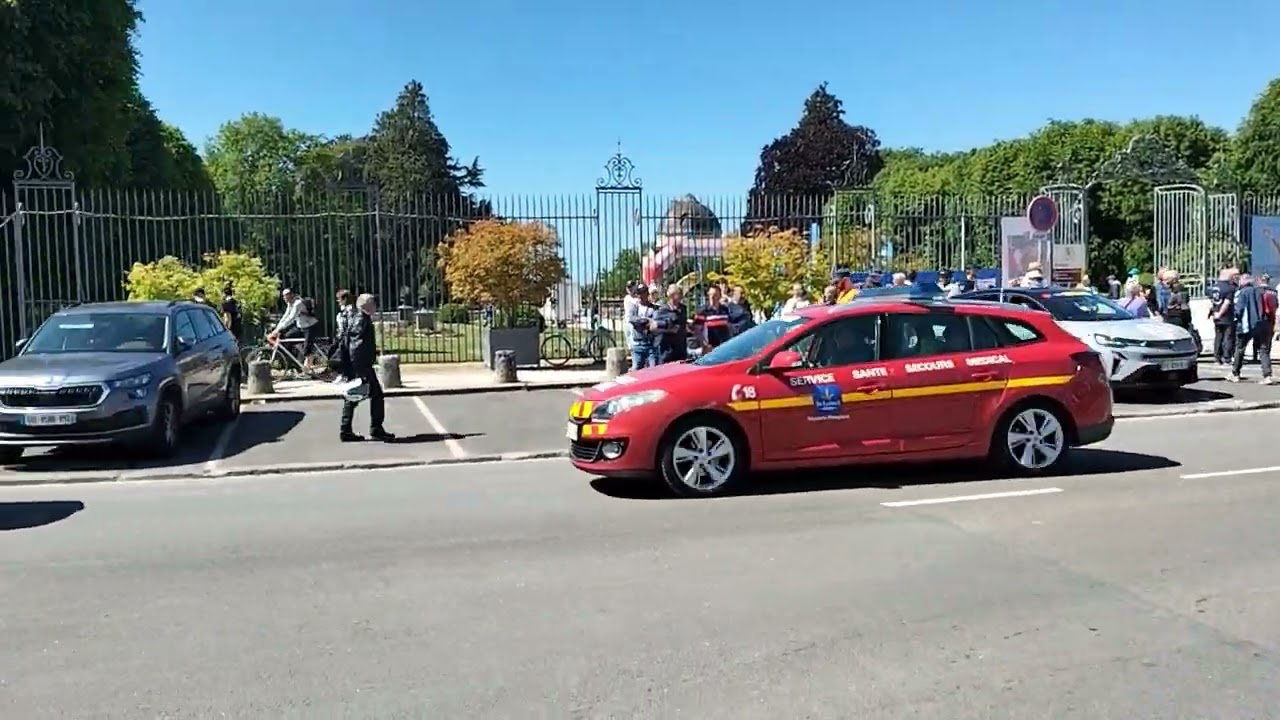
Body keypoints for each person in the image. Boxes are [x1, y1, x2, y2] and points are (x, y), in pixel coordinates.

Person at [340, 293, 395, 441]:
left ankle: (346, 430)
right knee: (375, 395)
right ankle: (375, 429)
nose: (376, 306)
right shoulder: (362, 320)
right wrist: (361, 369)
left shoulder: (356, 318)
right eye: (374, 303)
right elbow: (357, 346)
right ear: (367, 305)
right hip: (362, 366)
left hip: (357, 365)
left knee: (353, 396)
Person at [1231, 274, 1275, 385]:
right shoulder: (1259, 291)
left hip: (1246, 325)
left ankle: (1235, 374)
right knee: (1264, 350)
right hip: (1261, 323)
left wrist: (1235, 320)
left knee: (1240, 348)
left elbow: (1239, 309)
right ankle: (1267, 376)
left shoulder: (1242, 292)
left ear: (1244, 281)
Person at [271, 288, 321, 372]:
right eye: (283, 296)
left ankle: (307, 369)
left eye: (286, 295)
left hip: (310, 327)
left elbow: (291, 318)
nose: (284, 297)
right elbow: (285, 316)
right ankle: (295, 362)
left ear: (291, 295)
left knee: (307, 350)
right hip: (301, 327)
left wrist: (278, 329)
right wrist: (277, 328)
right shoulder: (290, 304)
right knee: (286, 338)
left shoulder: (298, 303)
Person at [649, 284, 689, 365]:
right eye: (677, 294)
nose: (680, 296)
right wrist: (669, 329)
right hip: (667, 350)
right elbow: (653, 327)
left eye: (679, 293)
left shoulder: (683, 309)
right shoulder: (662, 310)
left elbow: (682, 324)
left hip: (681, 349)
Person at [1209, 266, 1239, 365]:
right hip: (1226, 316)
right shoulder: (1229, 288)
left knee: (1218, 336)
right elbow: (1227, 303)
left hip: (1216, 314)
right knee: (1228, 337)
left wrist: (1215, 312)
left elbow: (1212, 301)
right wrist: (1220, 313)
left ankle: (1217, 357)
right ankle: (1227, 357)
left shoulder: (1214, 287)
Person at [627, 284, 660, 370]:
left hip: (651, 344)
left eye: (643, 293)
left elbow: (655, 321)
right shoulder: (634, 307)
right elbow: (632, 319)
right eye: (639, 294)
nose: (641, 296)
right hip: (638, 343)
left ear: (647, 294)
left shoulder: (654, 308)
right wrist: (645, 320)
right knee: (636, 369)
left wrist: (644, 321)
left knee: (654, 369)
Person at [692, 285, 732, 351]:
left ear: (720, 296)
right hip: (710, 347)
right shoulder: (703, 311)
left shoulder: (725, 310)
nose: (712, 297)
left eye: (715, 295)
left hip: (724, 346)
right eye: (710, 295)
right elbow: (697, 330)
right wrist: (704, 344)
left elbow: (729, 326)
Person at [332, 289, 356, 382]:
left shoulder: (349, 310)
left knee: (345, 356)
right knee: (343, 355)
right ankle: (345, 374)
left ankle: (347, 375)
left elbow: (348, 324)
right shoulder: (345, 311)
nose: (338, 301)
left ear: (345, 299)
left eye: (339, 299)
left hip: (347, 336)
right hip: (344, 335)